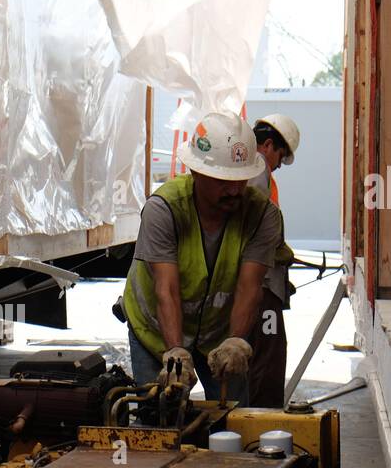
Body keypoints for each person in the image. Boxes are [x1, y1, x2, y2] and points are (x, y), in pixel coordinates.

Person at [122, 111, 283, 404]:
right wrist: (175, 352)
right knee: (159, 415)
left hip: (218, 334)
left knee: (233, 419)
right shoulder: (164, 209)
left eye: (241, 179)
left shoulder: (263, 215)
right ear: (196, 172)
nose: (234, 189)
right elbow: (166, 290)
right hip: (155, 330)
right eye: (223, 180)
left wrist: (236, 341)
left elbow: (250, 288)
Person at [246, 114, 301, 407]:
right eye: (281, 155)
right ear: (268, 145)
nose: (280, 163)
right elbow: (254, 230)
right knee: (269, 352)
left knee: (261, 350)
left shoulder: (248, 169)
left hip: (260, 280)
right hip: (262, 286)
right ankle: (262, 422)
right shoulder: (256, 171)